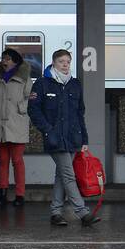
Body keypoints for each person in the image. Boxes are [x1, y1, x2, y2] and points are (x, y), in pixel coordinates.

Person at [28, 49, 98, 227]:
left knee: (61, 175)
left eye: (68, 61)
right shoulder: (42, 84)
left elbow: (79, 113)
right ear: (53, 63)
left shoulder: (75, 84)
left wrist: (84, 139)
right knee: (68, 174)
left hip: (74, 137)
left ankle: (56, 213)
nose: (65, 65)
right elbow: (33, 110)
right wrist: (47, 130)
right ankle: (82, 213)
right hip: (55, 138)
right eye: (61, 61)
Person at [0, 48, 34, 207]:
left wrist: (22, 107)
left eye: (7, 58)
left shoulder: (25, 79)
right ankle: (3, 194)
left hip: (17, 123)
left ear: (15, 61)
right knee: (3, 161)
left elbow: (30, 97)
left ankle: (20, 195)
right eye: (3, 58)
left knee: (17, 161)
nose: (4, 61)